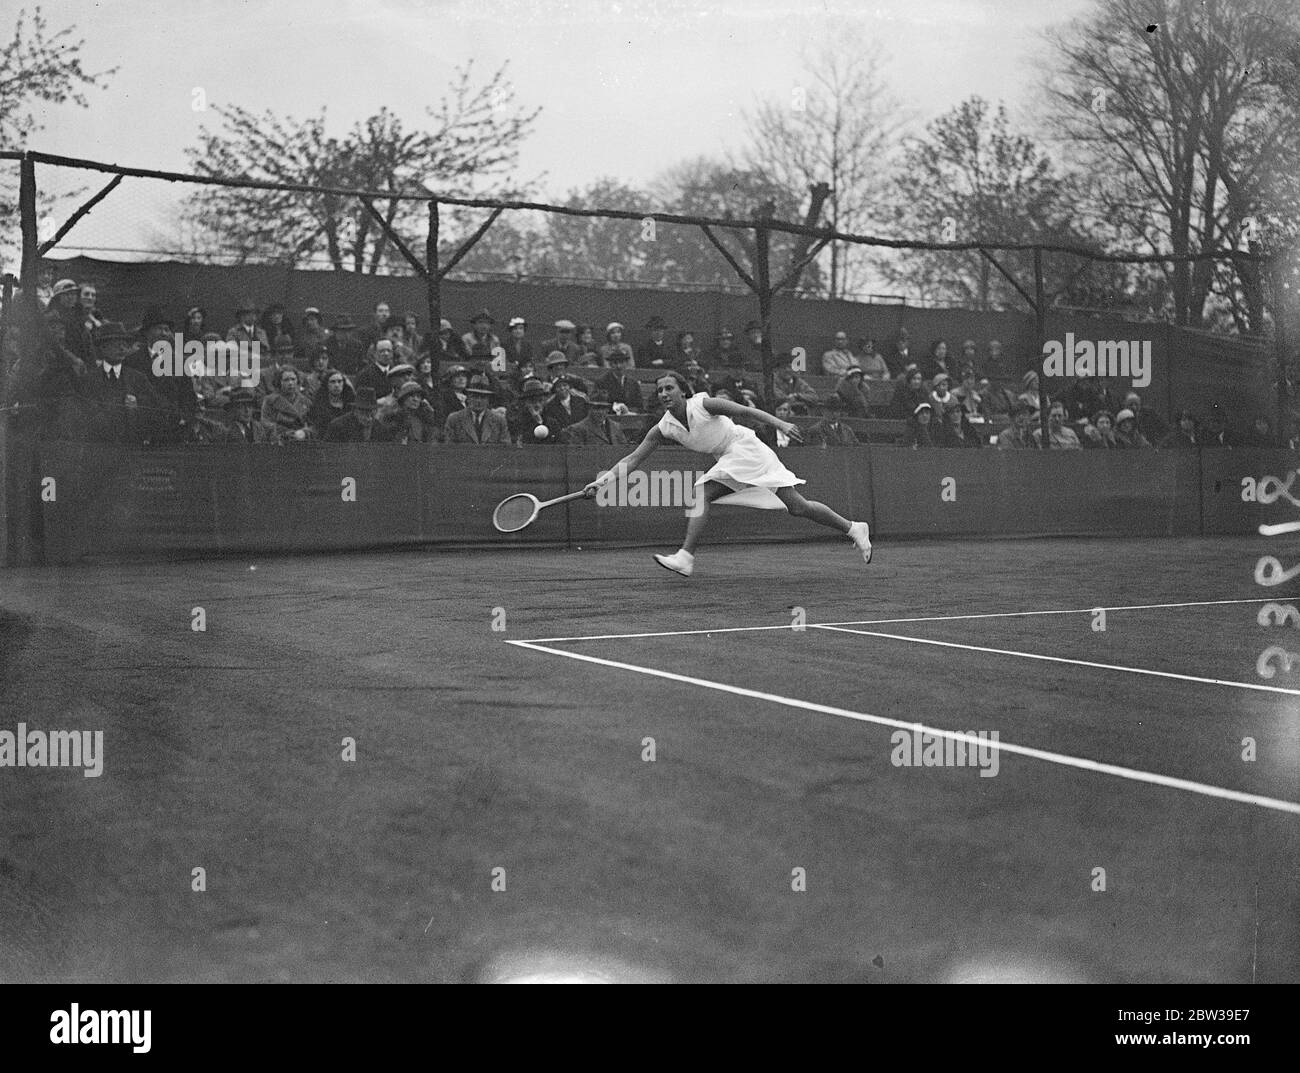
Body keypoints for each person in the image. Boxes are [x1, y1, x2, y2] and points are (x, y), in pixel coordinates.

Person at [582, 371, 873, 576]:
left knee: (704, 495)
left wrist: (780, 424)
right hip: (729, 457)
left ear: (682, 391)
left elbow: (746, 411)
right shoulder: (663, 428)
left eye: (669, 388)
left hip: (745, 448)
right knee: (798, 507)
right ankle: (852, 527)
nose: (663, 394)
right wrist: (602, 481)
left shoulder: (704, 404)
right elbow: (632, 459)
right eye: (659, 390)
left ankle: (685, 556)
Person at [444, 375, 510, 444]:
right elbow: (449, 449)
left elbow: (505, 450)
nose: (478, 401)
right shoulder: (454, 419)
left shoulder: (499, 421)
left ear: (488, 400)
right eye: (474, 397)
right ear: (468, 398)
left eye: (483, 397)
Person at [325, 386, 395, 443]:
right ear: (355, 410)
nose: (369, 417)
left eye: (372, 412)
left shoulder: (380, 429)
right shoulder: (338, 427)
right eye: (364, 412)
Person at [261, 366, 313, 441]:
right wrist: (285, 433)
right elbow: (266, 423)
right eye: (286, 380)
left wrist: (304, 432)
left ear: (297, 381)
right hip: (279, 441)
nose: (290, 383)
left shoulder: (306, 401)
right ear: (279, 382)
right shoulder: (270, 401)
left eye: (293, 379)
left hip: (302, 441)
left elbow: (313, 425)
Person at [562, 390, 628, 445]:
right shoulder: (577, 429)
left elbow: (624, 450)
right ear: (589, 409)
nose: (600, 412)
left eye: (603, 408)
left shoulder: (616, 427)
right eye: (596, 409)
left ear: (608, 410)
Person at [306, 369, 354, 437]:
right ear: (327, 384)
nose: (336, 385)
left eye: (339, 381)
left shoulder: (350, 402)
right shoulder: (319, 404)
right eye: (332, 382)